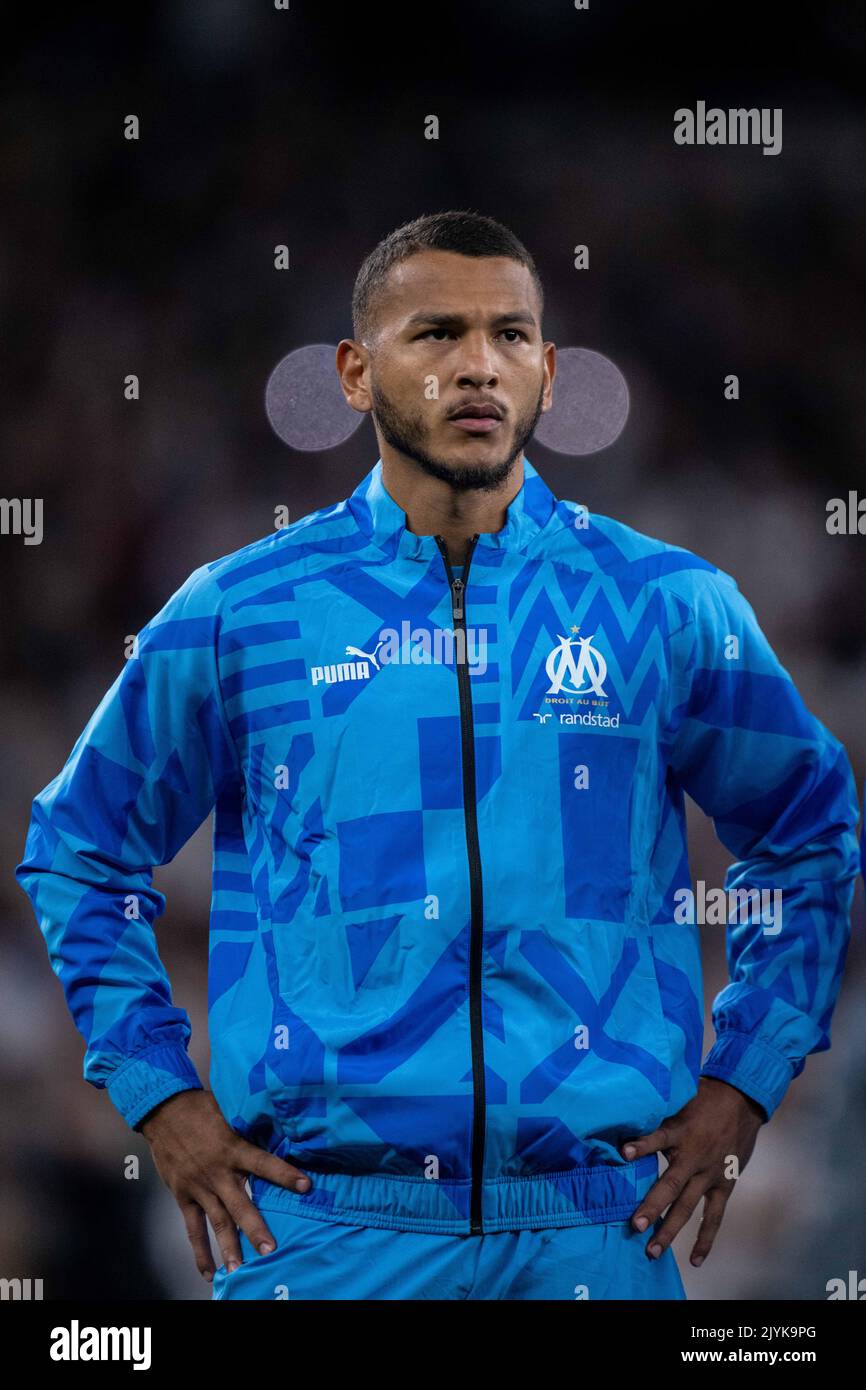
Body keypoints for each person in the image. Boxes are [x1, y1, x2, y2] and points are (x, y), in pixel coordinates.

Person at [16, 211, 860, 1301]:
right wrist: (158, 1095)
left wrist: (742, 1080)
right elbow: (79, 847)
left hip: (594, 1233)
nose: (478, 365)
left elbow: (807, 834)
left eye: (510, 336)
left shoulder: (665, 605)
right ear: (356, 374)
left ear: (549, 373)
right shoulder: (243, 611)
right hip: (322, 1238)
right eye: (436, 334)